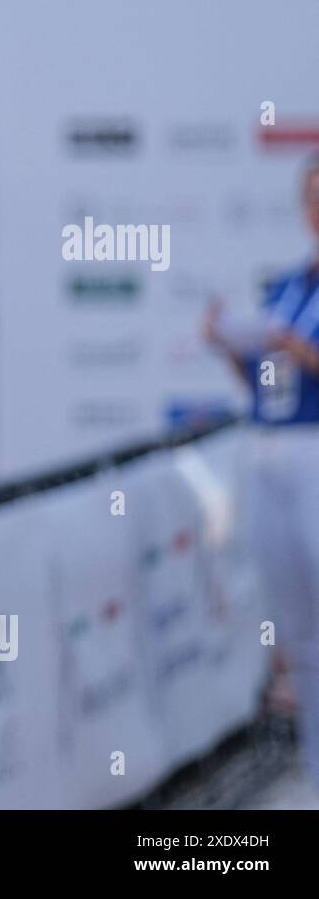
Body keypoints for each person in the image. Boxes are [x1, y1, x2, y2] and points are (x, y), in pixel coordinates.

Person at [203, 156, 319, 793]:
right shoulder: (289, 286)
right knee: (299, 630)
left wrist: (297, 348)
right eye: (310, 196)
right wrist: (231, 345)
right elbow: (264, 385)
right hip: (275, 450)